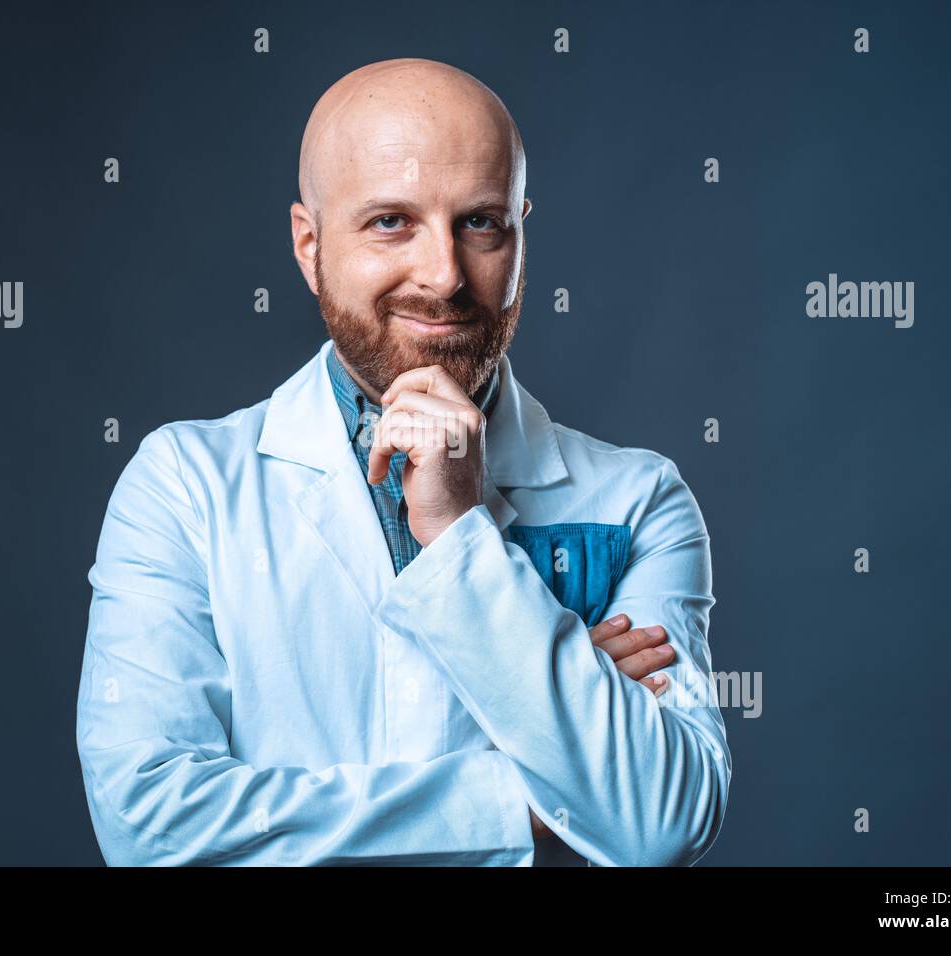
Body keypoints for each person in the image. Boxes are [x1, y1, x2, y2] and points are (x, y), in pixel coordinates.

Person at [75, 57, 731, 866]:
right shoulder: (183, 488)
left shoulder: (640, 500)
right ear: (309, 246)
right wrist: (526, 787)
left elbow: (660, 824)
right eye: (391, 222)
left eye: (481, 223)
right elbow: (152, 830)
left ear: (522, 232)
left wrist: (457, 533)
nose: (444, 275)